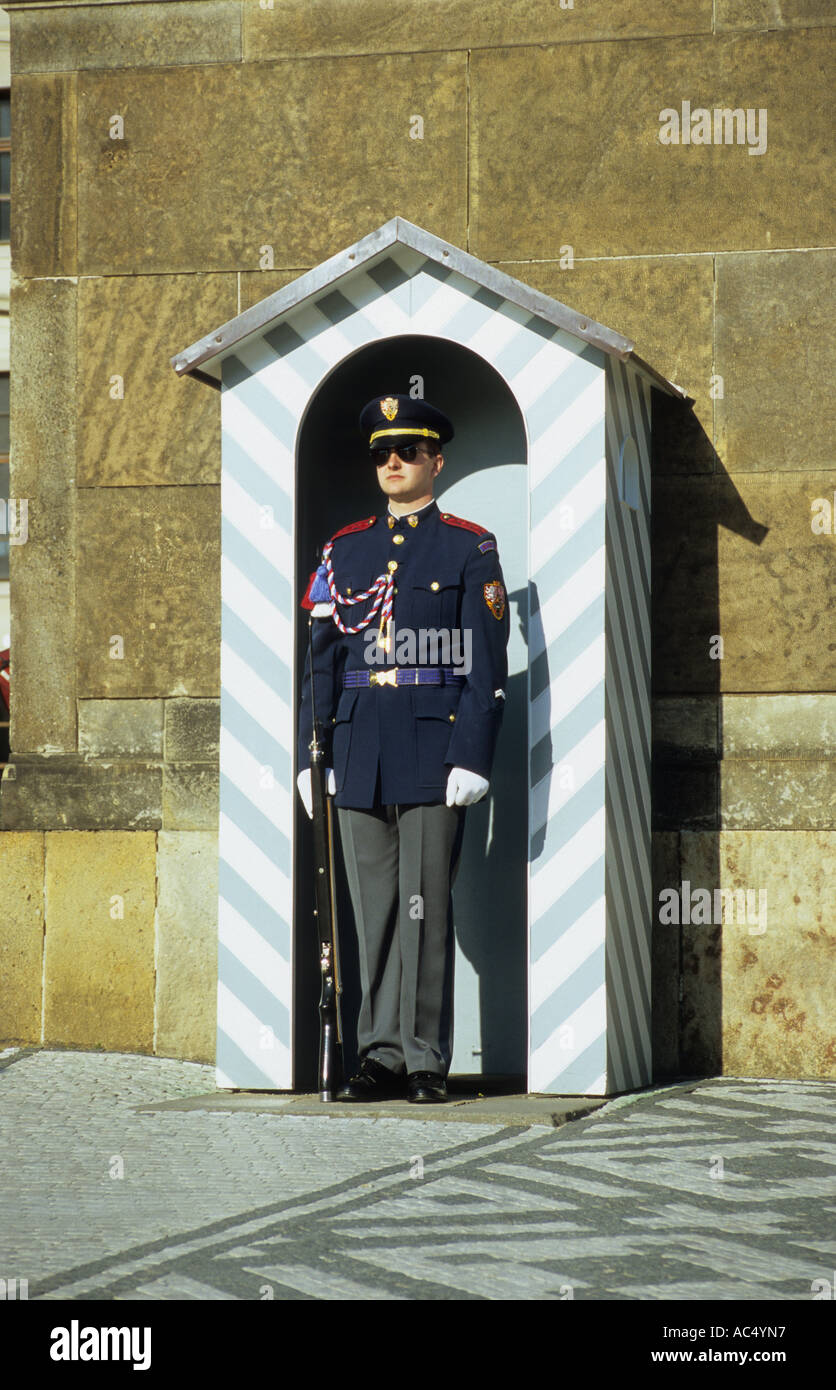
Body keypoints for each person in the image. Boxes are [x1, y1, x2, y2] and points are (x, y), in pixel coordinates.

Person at [297, 393, 510, 1103]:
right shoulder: (344, 549)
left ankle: (423, 1058)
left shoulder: (468, 546)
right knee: (375, 913)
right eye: (383, 453)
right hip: (359, 747)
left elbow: (485, 661)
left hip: (433, 749)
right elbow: (322, 661)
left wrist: (473, 752)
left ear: (435, 462)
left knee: (425, 907)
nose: (394, 462)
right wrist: (311, 752)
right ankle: (379, 1054)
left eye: (409, 451)